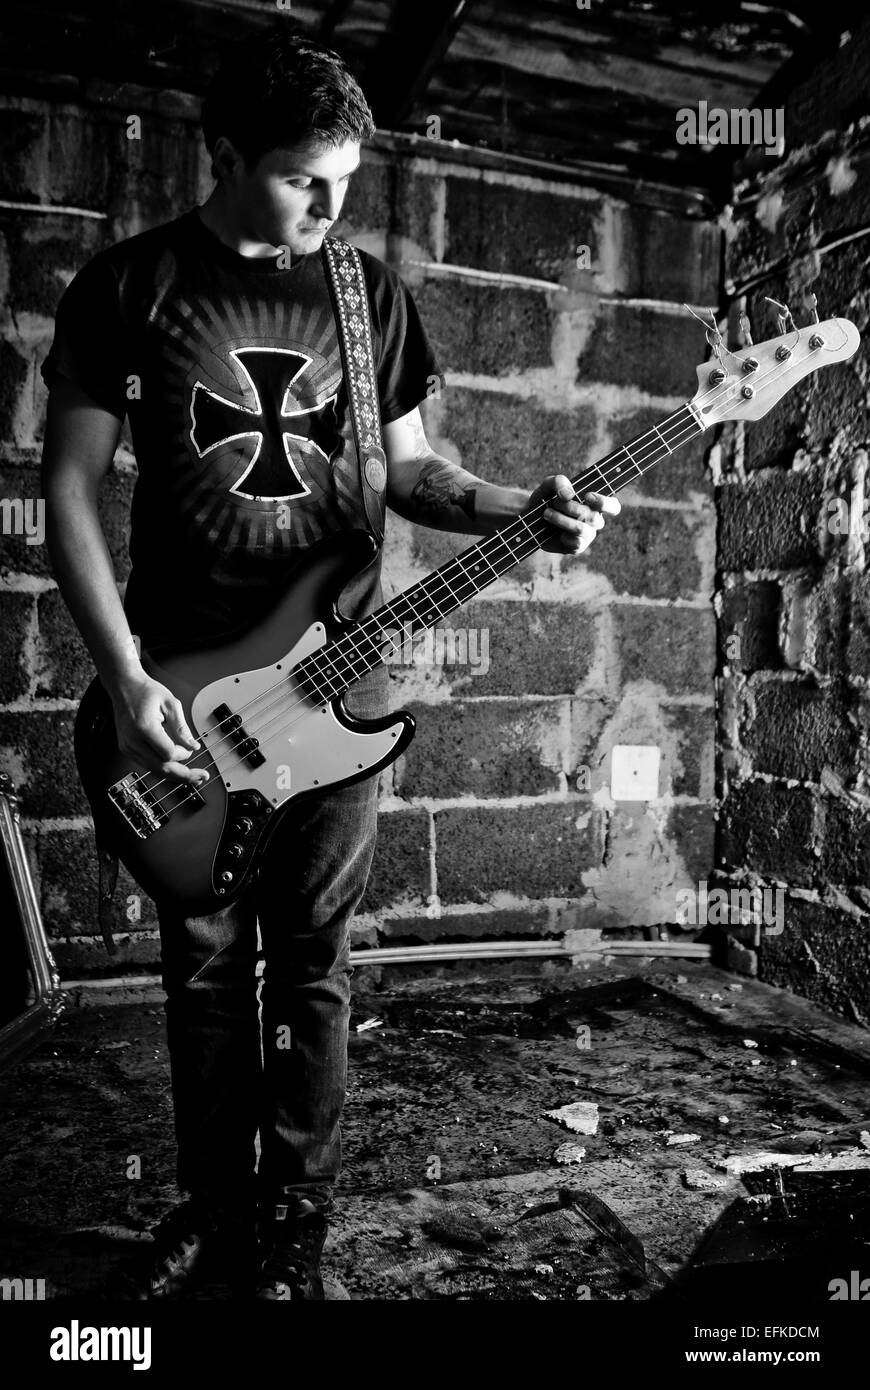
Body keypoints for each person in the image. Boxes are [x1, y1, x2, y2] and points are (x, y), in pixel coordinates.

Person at [39, 26, 619, 1300]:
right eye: (305, 178)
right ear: (227, 154)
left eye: (347, 179)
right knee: (200, 968)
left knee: (313, 965)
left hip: (341, 695)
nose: (331, 204)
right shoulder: (128, 289)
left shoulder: (368, 297)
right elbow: (65, 489)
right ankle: (207, 1212)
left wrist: (528, 501)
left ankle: (291, 1227)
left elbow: (415, 472)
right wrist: (125, 676)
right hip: (184, 697)